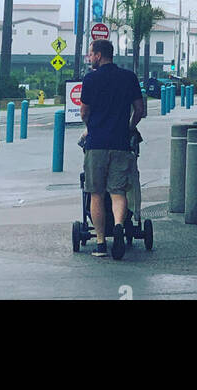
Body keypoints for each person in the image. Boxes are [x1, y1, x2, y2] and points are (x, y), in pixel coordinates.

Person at [79, 39, 144, 260]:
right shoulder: (129, 77)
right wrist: (129, 127)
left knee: (96, 193)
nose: (89, 58)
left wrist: (91, 128)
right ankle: (118, 225)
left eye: (91, 54)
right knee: (118, 191)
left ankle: (100, 242)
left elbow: (84, 112)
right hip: (120, 143)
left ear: (98, 55)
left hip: (96, 144)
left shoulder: (90, 79)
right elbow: (139, 109)